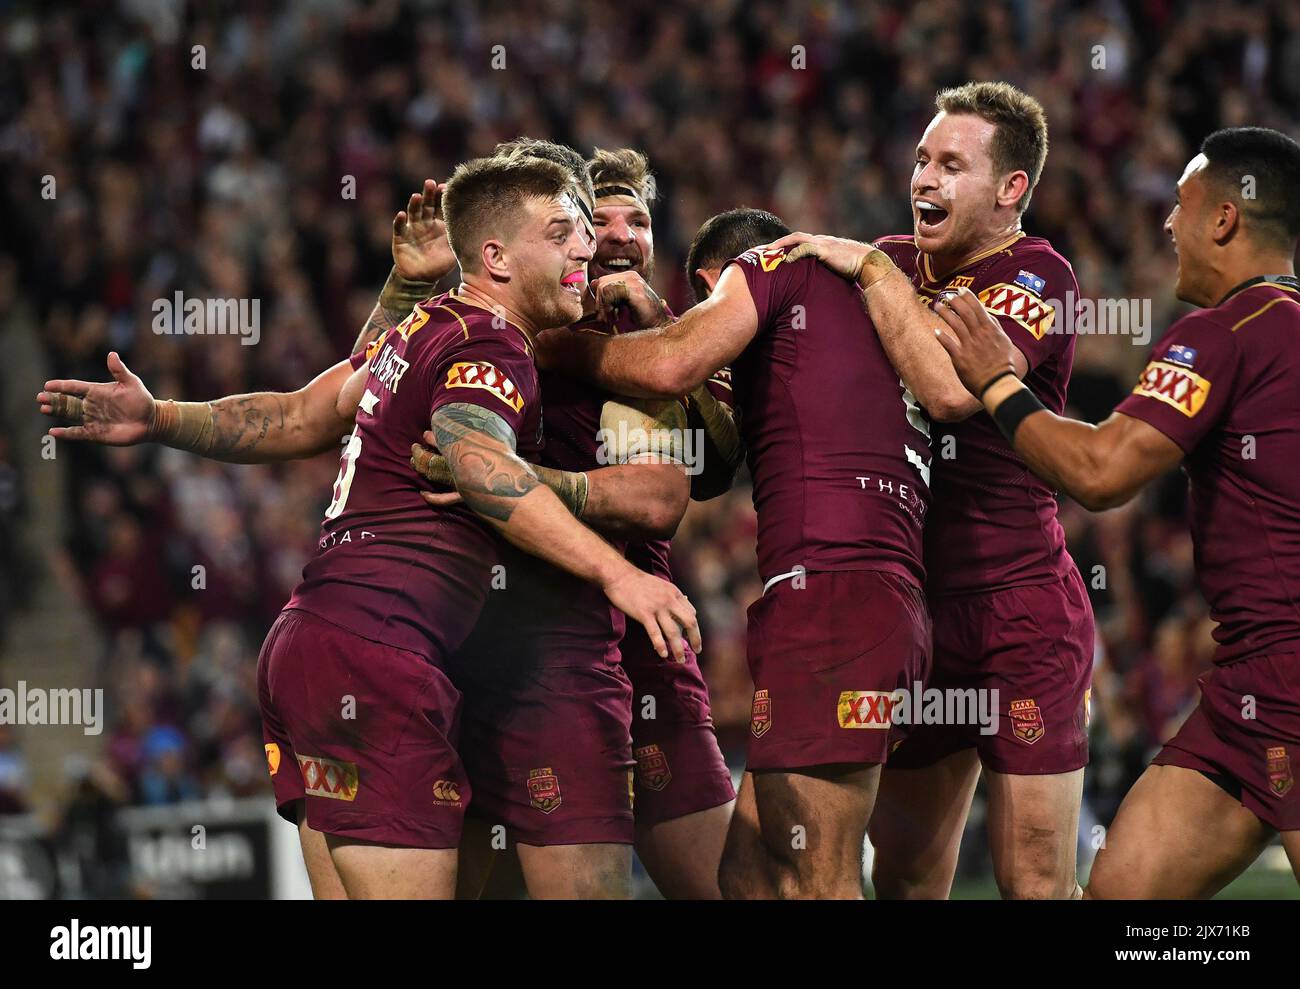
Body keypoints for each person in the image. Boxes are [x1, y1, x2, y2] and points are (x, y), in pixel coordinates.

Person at [39, 155, 700, 899]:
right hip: (380, 654)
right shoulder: (492, 342)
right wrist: (619, 573)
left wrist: (159, 416)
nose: (584, 247)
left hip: (304, 643)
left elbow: (300, 413)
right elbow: (476, 457)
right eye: (562, 233)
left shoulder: (417, 326)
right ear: (495, 257)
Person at [930, 126, 1300, 896]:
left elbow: (1101, 471)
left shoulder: (1226, 331)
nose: (1167, 225)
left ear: (1225, 220)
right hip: (1245, 691)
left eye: (1181, 205)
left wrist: (998, 382)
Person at [538, 206, 933, 899]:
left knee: (817, 879)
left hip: (835, 599)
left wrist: (558, 348)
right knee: (749, 875)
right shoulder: (850, 316)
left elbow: (672, 365)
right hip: (865, 598)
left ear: (715, 283)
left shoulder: (768, 274)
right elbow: (716, 438)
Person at [767, 81, 1093, 899]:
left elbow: (954, 388)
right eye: (921, 160)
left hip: (1021, 607)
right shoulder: (889, 260)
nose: (925, 179)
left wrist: (876, 274)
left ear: (1010, 189)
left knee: (1035, 881)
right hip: (917, 609)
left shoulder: (1039, 273)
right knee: (908, 874)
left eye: (952, 165)